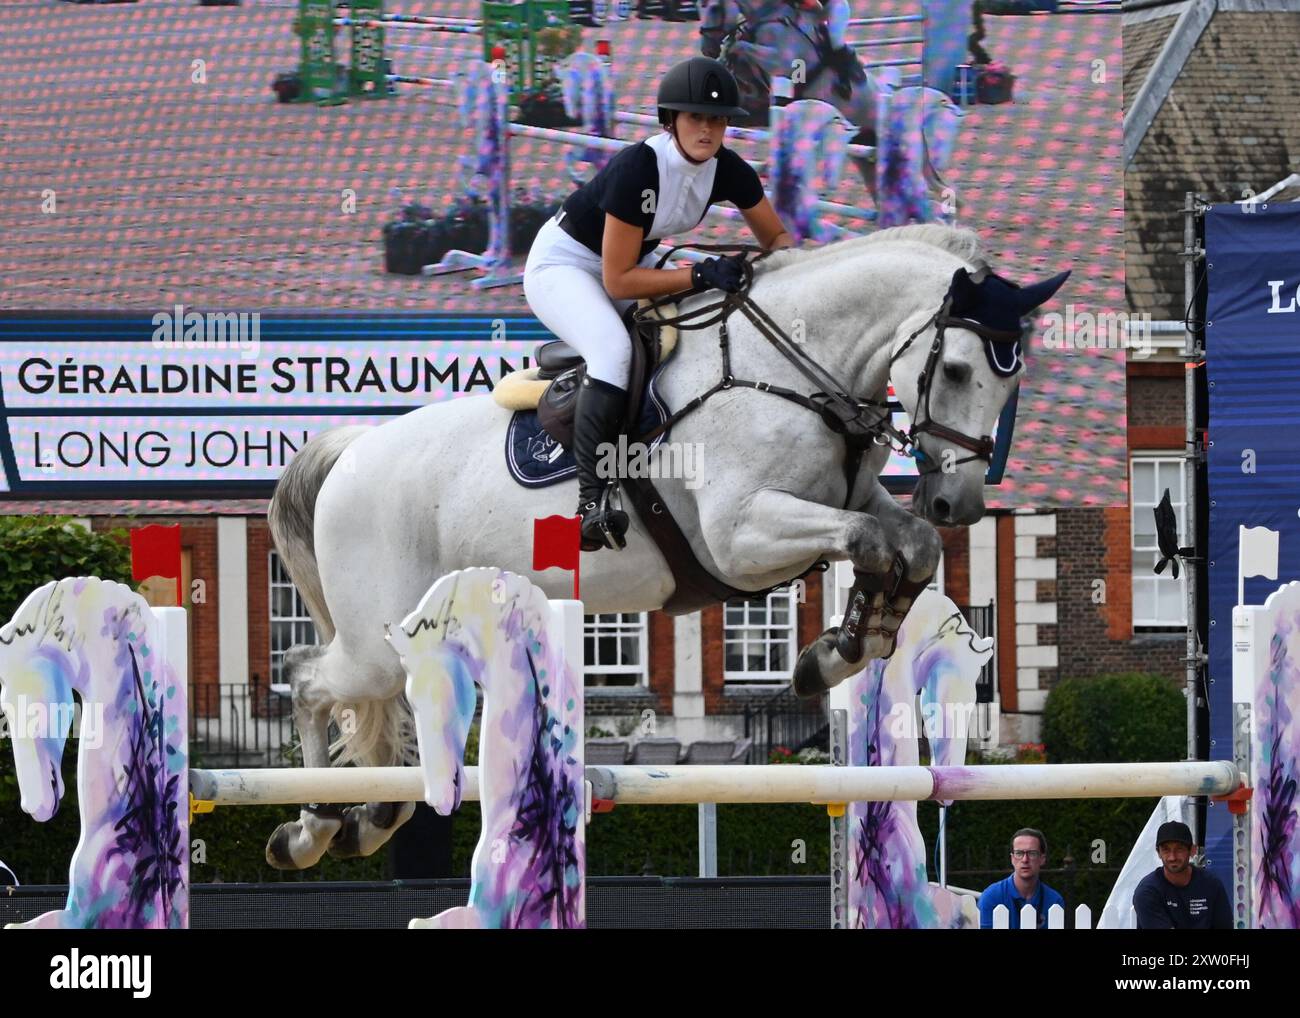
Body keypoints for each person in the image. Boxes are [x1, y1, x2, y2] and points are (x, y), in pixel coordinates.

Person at [523, 56, 793, 552]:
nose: (708, 129)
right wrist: (697, 273)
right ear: (670, 120)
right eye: (696, 118)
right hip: (562, 267)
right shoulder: (638, 168)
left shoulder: (728, 170)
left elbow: (776, 238)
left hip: (622, 267)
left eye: (717, 119)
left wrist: (793, 281)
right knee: (613, 352)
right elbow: (619, 280)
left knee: (693, 333)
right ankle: (590, 501)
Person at [1133, 821, 1232, 929]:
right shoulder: (1147, 891)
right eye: (1166, 850)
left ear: (1192, 850)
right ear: (1158, 852)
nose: (1172, 857)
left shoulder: (1211, 884)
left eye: (1179, 849)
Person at [978, 828, 1065, 929]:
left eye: (1032, 853)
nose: (1025, 860)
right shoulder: (991, 897)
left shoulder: (1054, 900)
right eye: (1019, 853)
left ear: (1042, 859)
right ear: (1012, 858)